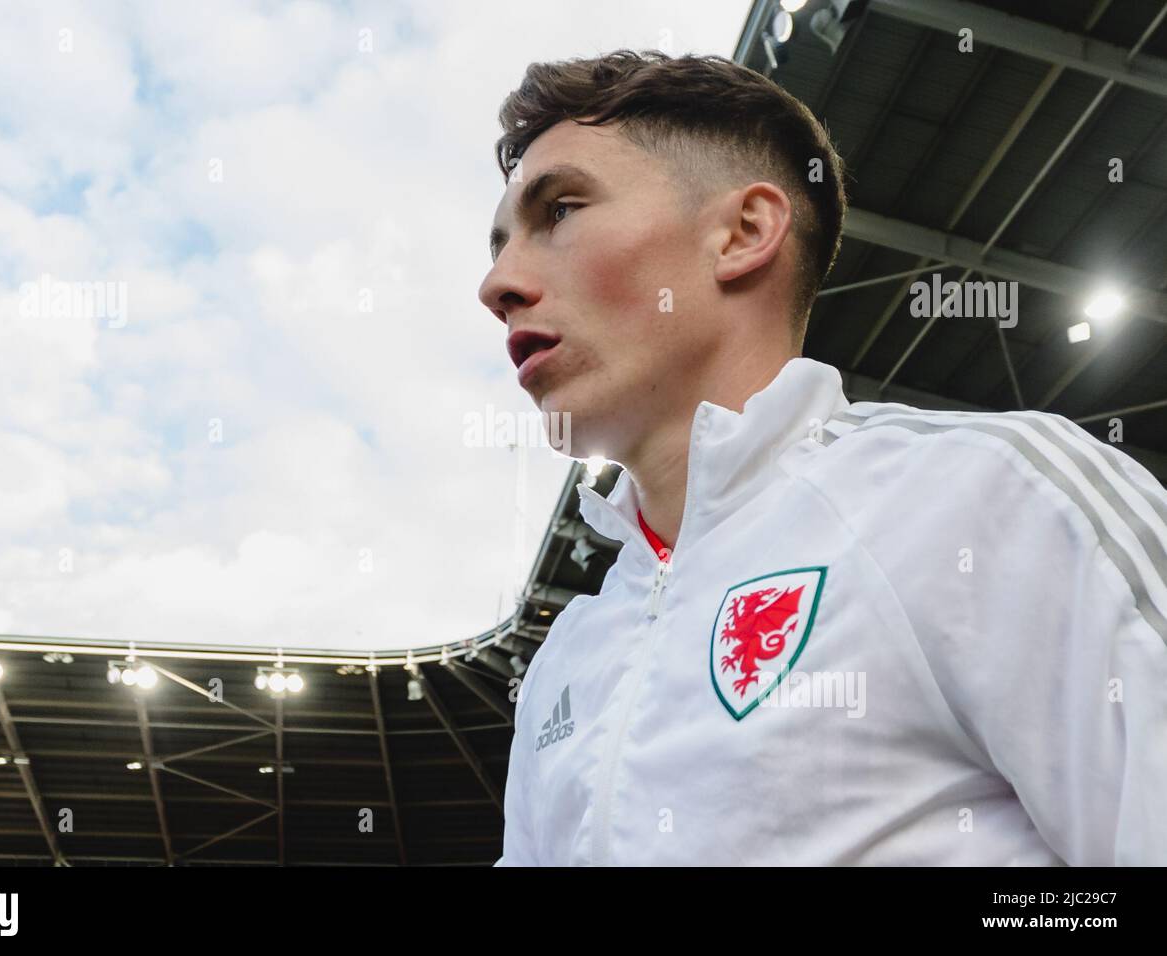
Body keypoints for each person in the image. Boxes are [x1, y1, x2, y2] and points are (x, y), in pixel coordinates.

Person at [477, 50, 1167, 865]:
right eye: (497, 245)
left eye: (558, 211)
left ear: (742, 234)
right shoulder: (569, 654)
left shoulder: (986, 497)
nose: (498, 283)